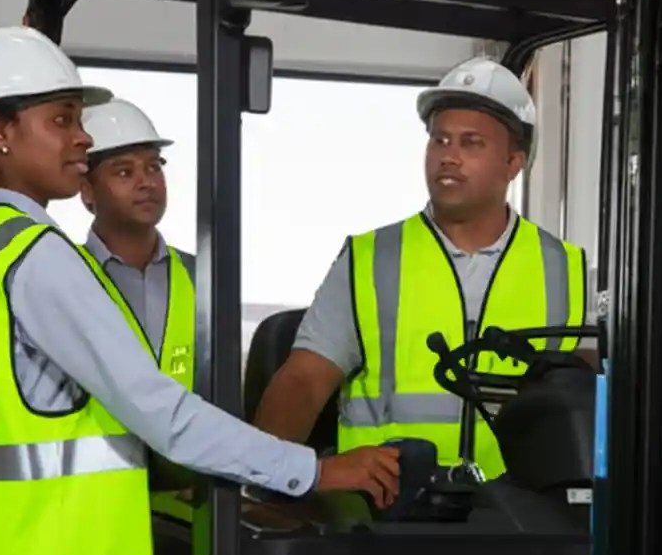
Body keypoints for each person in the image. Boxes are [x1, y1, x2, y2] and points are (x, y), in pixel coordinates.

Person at [0, 25, 400, 555]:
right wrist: (315, 469)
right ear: (0, 133)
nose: (81, 137)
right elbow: (163, 413)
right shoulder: (37, 258)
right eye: (62, 120)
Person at [252, 56, 591, 481]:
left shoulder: (565, 268)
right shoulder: (371, 258)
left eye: (471, 143)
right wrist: (265, 485)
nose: (448, 157)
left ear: (513, 163)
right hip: (387, 516)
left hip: (524, 520)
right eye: (439, 141)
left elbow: (586, 401)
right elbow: (304, 380)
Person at [74, 97, 199, 520]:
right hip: (91, 502)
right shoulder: (63, 276)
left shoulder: (203, 277)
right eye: (124, 171)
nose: (147, 182)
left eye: (154, 166)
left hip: (186, 504)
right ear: (87, 191)